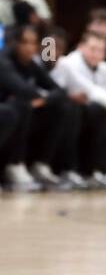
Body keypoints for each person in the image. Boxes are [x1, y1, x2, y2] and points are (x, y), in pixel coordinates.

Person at [50, 30, 106, 188]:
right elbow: (89, 89)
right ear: (81, 46)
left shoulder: (104, 68)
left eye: (101, 50)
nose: (96, 54)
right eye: (93, 49)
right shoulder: (69, 62)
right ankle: (71, 170)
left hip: (93, 111)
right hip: (66, 110)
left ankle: (103, 170)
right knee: (95, 111)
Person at [0, 24, 73, 191]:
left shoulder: (33, 64)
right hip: (8, 113)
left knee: (63, 107)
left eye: (33, 43)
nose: (29, 47)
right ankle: (14, 164)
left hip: (18, 115)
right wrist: (38, 97)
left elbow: (60, 91)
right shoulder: (4, 60)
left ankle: (41, 165)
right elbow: (22, 89)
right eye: (25, 42)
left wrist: (44, 100)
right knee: (21, 104)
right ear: (15, 43)